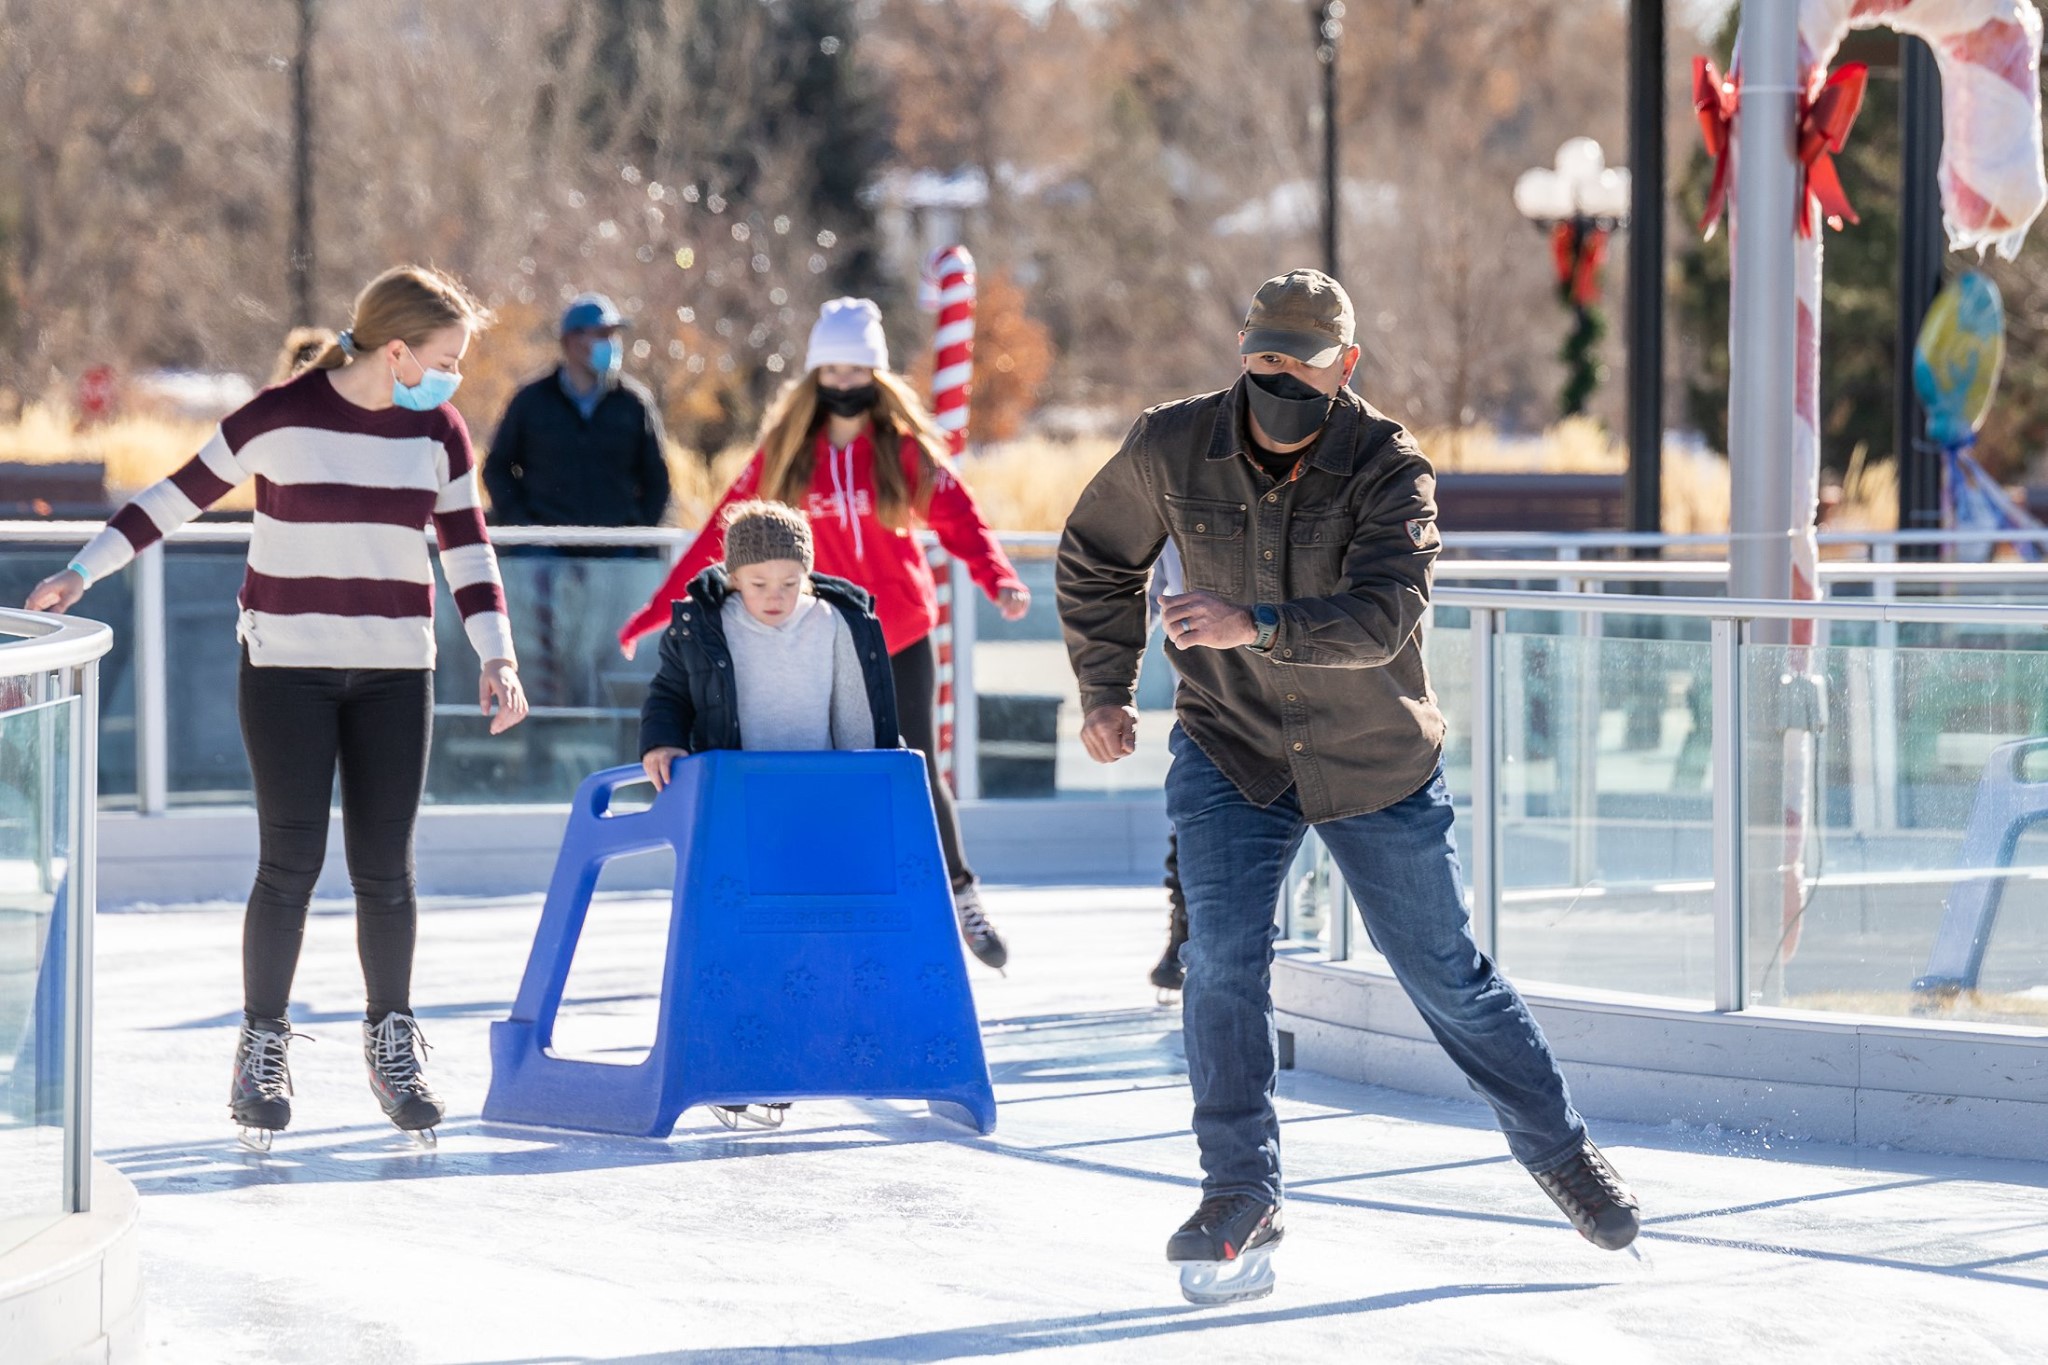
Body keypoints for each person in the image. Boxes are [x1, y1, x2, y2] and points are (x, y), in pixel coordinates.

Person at [1056, 268, 1640, 1305]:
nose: (1277, 375)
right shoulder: (1170, 443)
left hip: (1372, 757)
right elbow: (1096, 554)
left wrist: (1258, 624)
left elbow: (1387, 615)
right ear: (1241, 349)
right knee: (1220, 963)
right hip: (1230, 744)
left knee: (1440, 973)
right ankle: (1238, 1189)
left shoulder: (1387, 466)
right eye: (1263, 355)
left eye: (1301, 361)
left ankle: (1557, 1152)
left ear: (1345, 366)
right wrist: (1104, 689)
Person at [26, 265, 531, 1150]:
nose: (455, 375)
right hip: (286, 669)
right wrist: (83, 569)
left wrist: (497, 653)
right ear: (400, 349)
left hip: (393, 673)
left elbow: (466, 544)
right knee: (288, 862)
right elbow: (170, 499)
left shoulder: (440, 431)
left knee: (387, 869)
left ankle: (391, 1041)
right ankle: (261, 1042)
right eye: (446, 357)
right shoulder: (282, 414)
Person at [620, 298, 1029, 971]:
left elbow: (962, 519)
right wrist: (655, 610)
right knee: (829, 765)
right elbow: (720, 536)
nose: (843, 382)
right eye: (831, 369)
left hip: (896, 629)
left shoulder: (902, 451)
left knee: (916, 764)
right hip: (815, 636)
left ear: (876, 373)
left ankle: (961, 893)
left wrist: (999, 578)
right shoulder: (787, 454)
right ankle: (848, 906)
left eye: (856, 368)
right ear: (814, 376)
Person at [638, 500, 899, 1129]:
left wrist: (864, 786)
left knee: (803, 938)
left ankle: (784, 1057)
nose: (775, 596)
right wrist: (661, 740)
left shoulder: (838, 623)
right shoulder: (702, 626)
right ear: (732, 577)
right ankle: (731, 1066)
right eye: (758, 584)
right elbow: (669, 693)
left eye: (790, 582)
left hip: (814, 808)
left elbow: (856, 715)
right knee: (735, 939)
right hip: (737, 805)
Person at [484, 293, 674, 710]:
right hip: (542, 562)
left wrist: (636, 535)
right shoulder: (531, 402)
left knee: (612, 655)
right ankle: (542, 738)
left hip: (618, 563)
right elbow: (497, 468)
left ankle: (610, 734)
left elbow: (658, 480)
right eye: (601, 334)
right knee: (545, 661)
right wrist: (524, 529)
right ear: (572, 342)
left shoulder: (633, 402)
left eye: (613, 335)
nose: (612, 344)